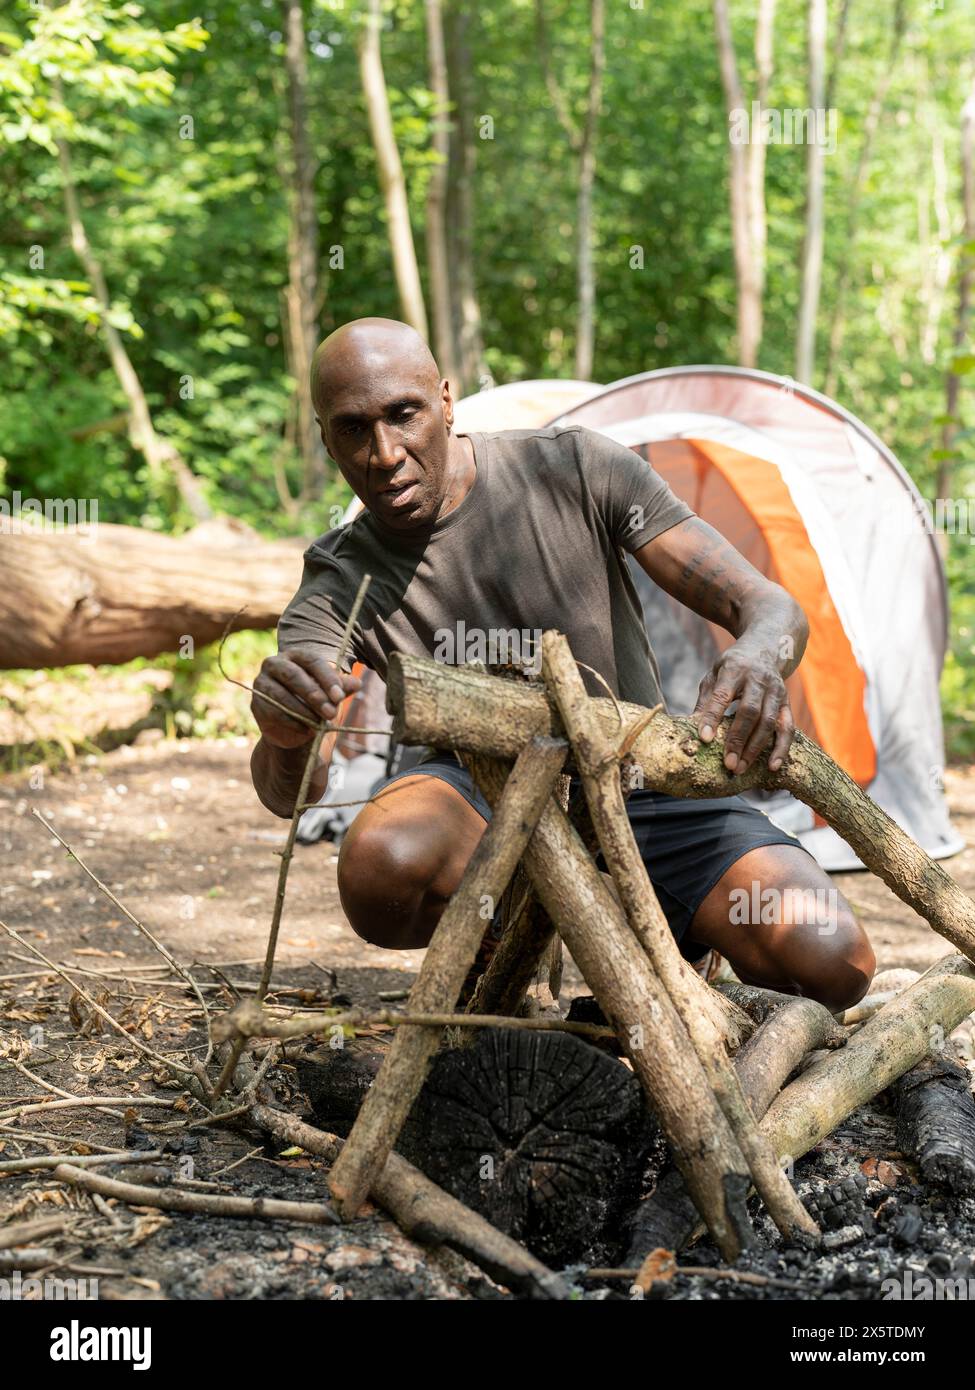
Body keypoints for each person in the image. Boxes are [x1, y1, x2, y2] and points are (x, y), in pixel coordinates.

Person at [250, 317, 875, 1011]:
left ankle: (680, 944)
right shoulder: (340, 577)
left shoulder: (574, 468)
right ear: (324, 437)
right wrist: (287, 735)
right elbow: (289, 793)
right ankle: (500, 952)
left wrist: (758, 657)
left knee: (829, 964)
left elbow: (768, 607)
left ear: (446, 401)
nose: (385, 452)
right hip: (476, 801)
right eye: (352, 429)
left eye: (404, 414)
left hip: (642, 775)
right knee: (382, 871)